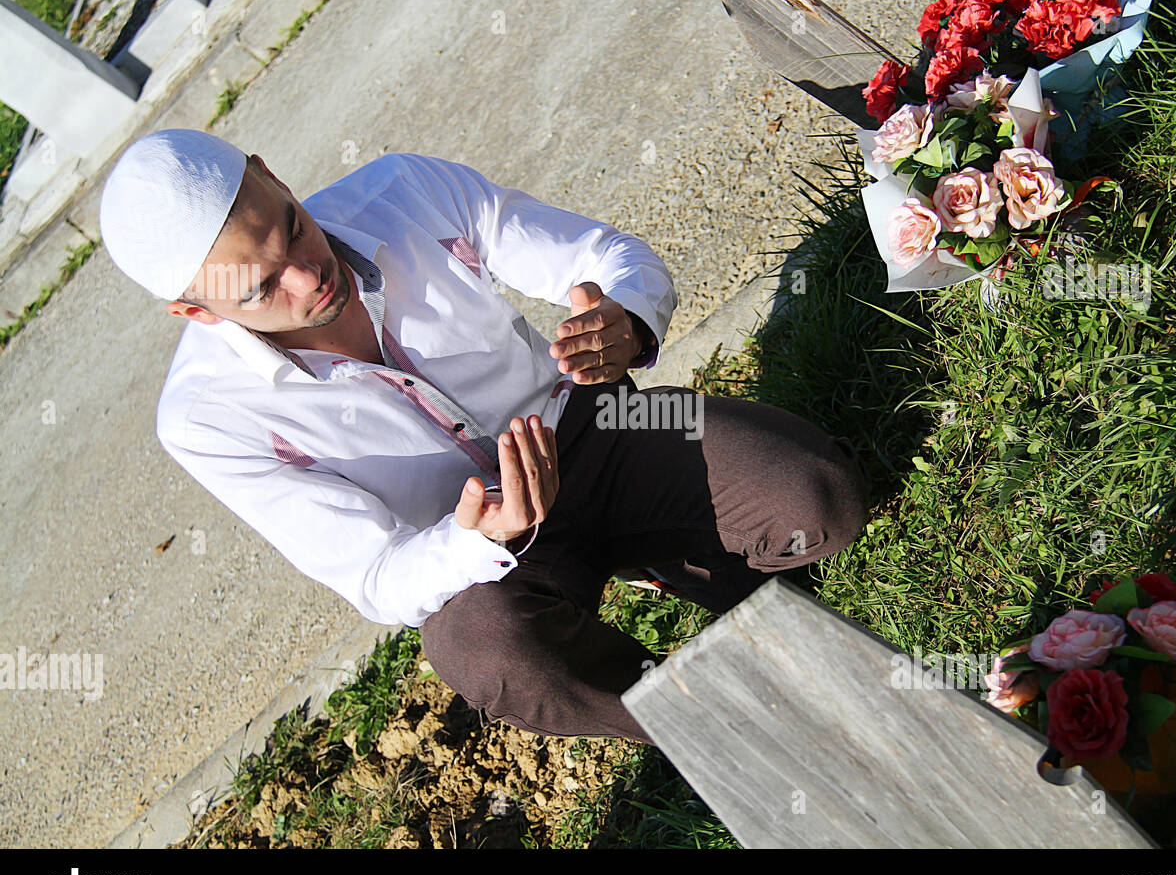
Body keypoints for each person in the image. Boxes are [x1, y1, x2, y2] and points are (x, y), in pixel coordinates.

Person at [100, 128, 870, 747]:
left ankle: (673, 557)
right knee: (487, 654)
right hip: (475, 558)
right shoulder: (206, 421)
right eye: (262, 289)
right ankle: (701, 722)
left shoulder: (403, 191)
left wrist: (626, 320)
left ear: (269, 170)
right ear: (194, 311)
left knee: (820, 498)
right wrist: (479, 538)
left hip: (596, 427)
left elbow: (605, 257)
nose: (308, 277)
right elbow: (374, 575)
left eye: (293, 229)